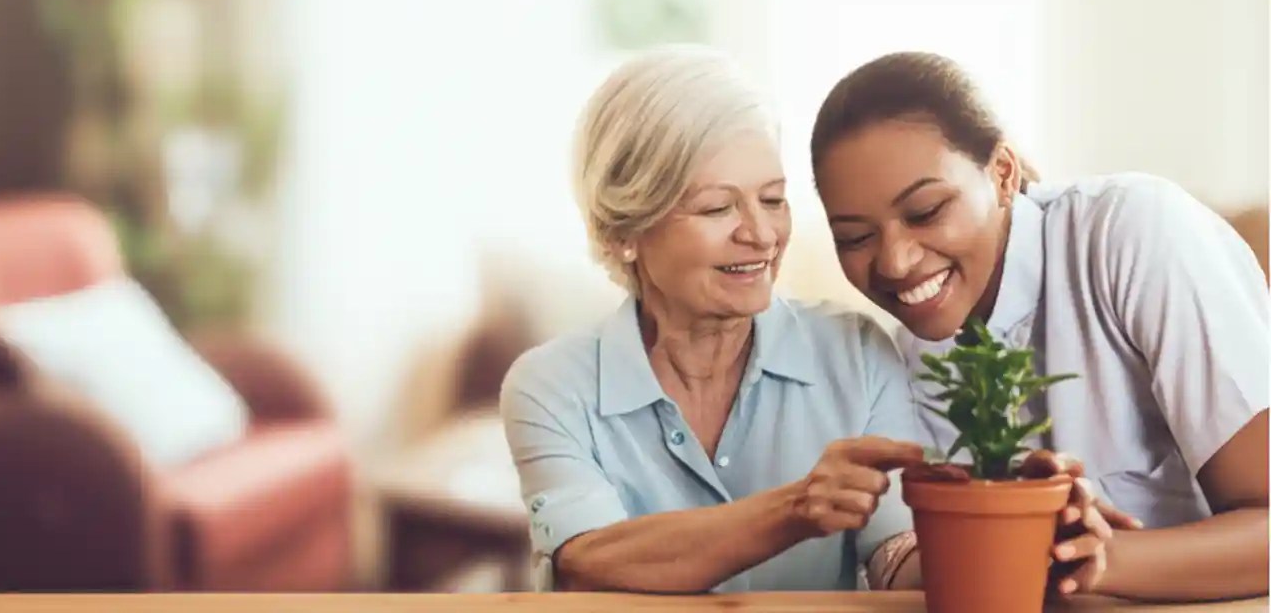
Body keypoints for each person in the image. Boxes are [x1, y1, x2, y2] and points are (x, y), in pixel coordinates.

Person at [499, 46, 1106, 594]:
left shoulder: (857, 351)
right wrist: (793, 510)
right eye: (716, 207)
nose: (761, 235)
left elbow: (893, 554)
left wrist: (1018, 532)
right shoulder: (553, 386)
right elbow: (590, 558)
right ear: (624, 232)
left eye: (772, 199)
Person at [809, 51, 1269, 601]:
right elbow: (923, 562)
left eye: (926, 211)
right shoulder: (908, 358)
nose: (895, 263)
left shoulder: (1133, 232)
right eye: (856, 238)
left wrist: (1094, 555)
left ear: (1002, 173)